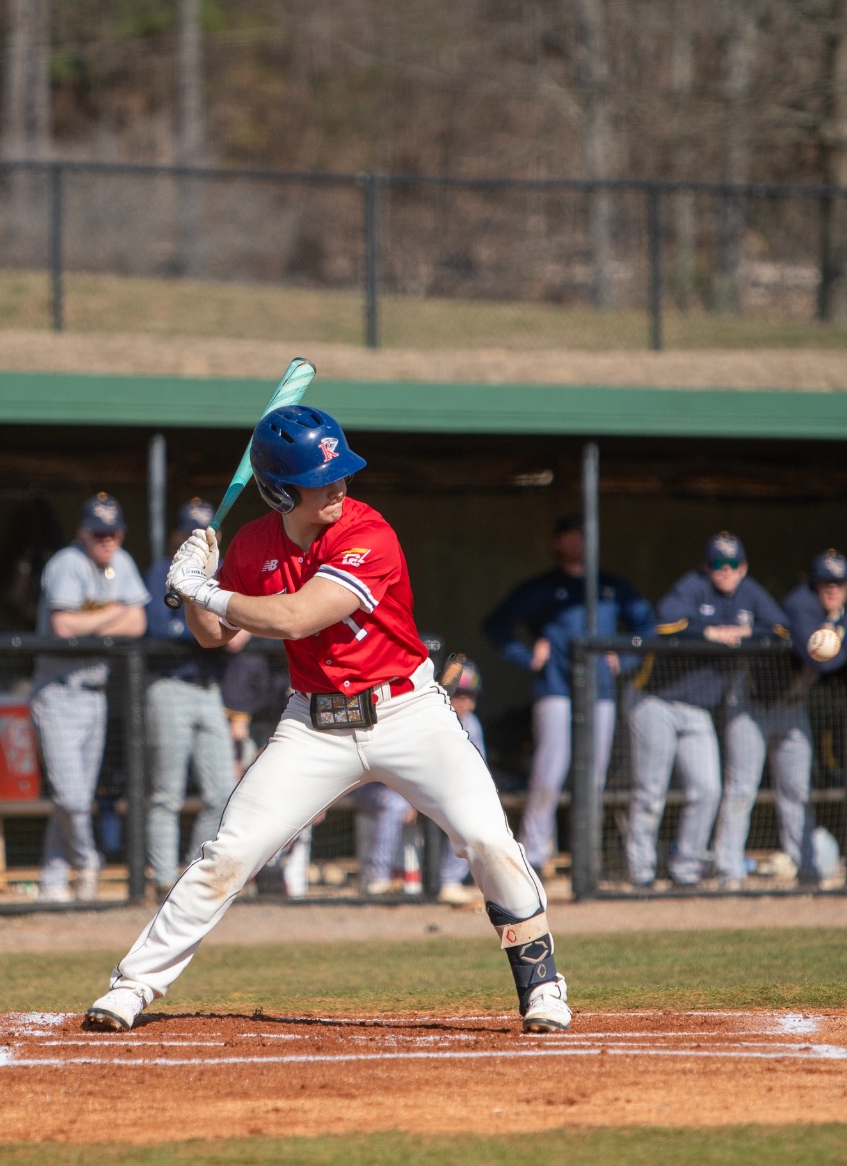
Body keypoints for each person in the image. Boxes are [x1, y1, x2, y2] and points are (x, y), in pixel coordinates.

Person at [86, 404, 570, 1035]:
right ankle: (132, 987)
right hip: (314, 724)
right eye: (325, 477)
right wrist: (193, 581)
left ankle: (543, 987)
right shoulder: (255, 543)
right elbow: (215, 636)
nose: (342, 485)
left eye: (343, 471)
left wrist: (204, 590)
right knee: (230, 853)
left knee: (487, 840)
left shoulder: (370, 533)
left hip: (407, 711)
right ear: (283, 489)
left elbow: (294, 617)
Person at [482, 514, 653, 877]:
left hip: (601, 692)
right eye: (571, 537)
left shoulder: (610, 587)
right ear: (558, 543)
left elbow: (647, 626)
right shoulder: (544, 587)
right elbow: (497, 626)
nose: (578, 544)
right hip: (556, 688)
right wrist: (527, 656)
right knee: (548, 774)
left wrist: (625, 656)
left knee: (594, 777)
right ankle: (533, 856)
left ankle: (586, 856)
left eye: (584, 537)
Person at [717, 550, 847, 886]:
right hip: (753, 702)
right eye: (825, 583)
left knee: (797, 790)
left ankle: (806, 869)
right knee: (741, 788)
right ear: (814, 585)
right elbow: (823, 660)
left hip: (793, 705)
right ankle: (728, 872)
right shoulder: (800, 604)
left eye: (838, 584)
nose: (832, 590)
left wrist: (842, 636)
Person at [626, 532, 787, 889]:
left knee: (708, 789)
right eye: (718, 564)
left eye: (732, 564)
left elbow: (780, 628)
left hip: (698, 709)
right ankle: (641, 872)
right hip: (656, 700)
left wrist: (744, 632)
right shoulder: (693, 586)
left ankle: (686, 870)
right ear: (706, 566)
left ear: (743, 568)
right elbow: (665, 622)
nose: (725, 571)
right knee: (651, 791)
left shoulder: (750, 593)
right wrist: (709, 632)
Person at [32, 494, 149, 902]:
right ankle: (88, 858)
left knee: (77, 793)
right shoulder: (68, 563)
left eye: (114, 532)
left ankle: (52, 878)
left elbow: (138, 622)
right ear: (83, 531)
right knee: (71, 796)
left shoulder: (124, 562)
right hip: (59, 691)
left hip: (95, 694)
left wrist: (97, 622)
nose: (107, 540)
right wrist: (114, 613)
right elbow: (63, 625)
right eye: (99, 532)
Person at [144, 498, 249, 893]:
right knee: (166, 794)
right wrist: (214, 632)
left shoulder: (222, 573)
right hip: (169, 685)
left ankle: (189, 876)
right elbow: (158, 628)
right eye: (194, 531)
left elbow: (240, 628)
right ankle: (160, 879)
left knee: (222, 792)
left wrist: (223, 630)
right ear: (177, 536)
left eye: (210, 532)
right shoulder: (163, 570)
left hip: (210, 690)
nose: (205, 539)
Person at [434, 659, 496, 906]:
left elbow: (480, 765)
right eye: (458, 694)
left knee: (470, 818)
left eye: (469, 695)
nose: (463, 701)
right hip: (427, 792)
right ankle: (392, 879)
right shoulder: (434, 718)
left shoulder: (472, 723)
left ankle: (450, 880)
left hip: (457, 793)